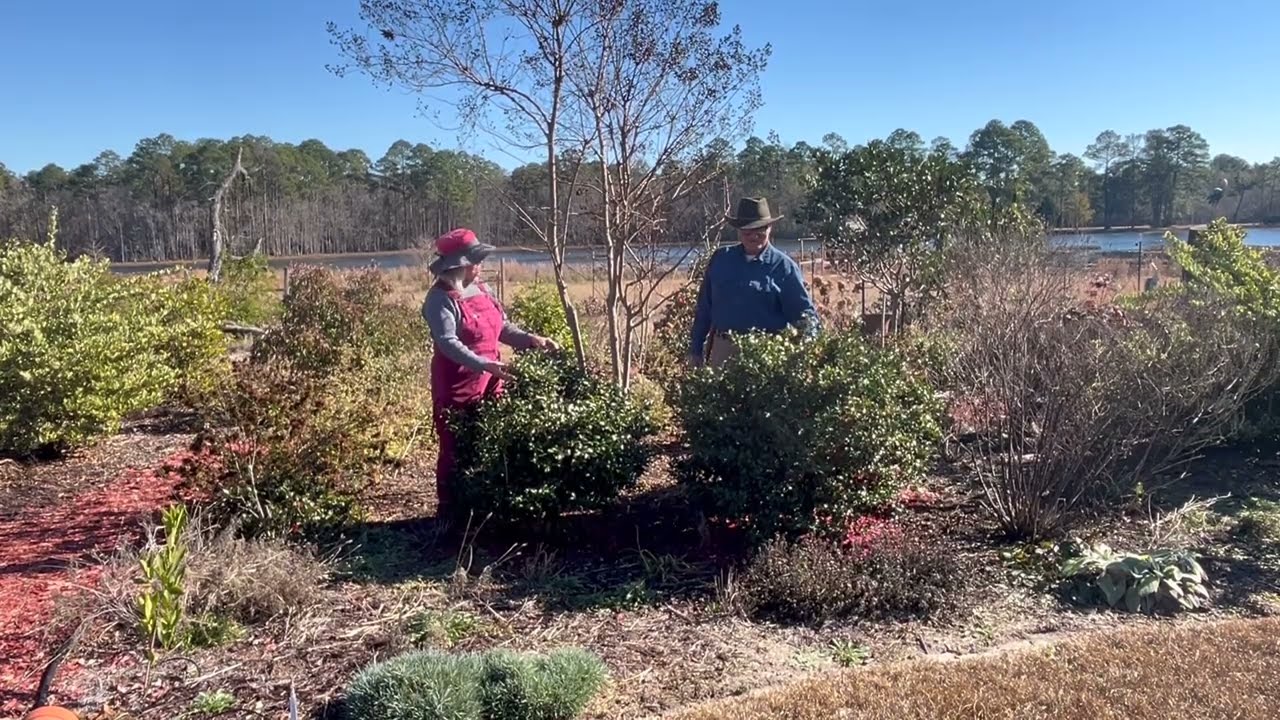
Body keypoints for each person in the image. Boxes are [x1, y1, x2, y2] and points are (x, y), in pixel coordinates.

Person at [422, 228, 558, 517]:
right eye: (475, 261)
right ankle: (451, 516)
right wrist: (483, 364)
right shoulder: (439, 299)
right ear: (459, 265)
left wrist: (532, 339)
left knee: (489, 442)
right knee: (456, 449)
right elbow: (447, 342)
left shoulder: (483, 289)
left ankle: (484, 507)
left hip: (491, 382)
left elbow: (503, 329)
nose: (479, 266)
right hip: (456, 387)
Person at [688, 197, 821, 368]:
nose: (754, 236)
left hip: (766, 353)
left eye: (760, 229)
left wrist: (810, 351)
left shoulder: (784, 268)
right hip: (723, 351)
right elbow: (704, 308)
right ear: (739, 230)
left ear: (770, 228)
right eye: (748, 231)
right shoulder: (721, 260)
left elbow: (805, 317)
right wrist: (695, 349)